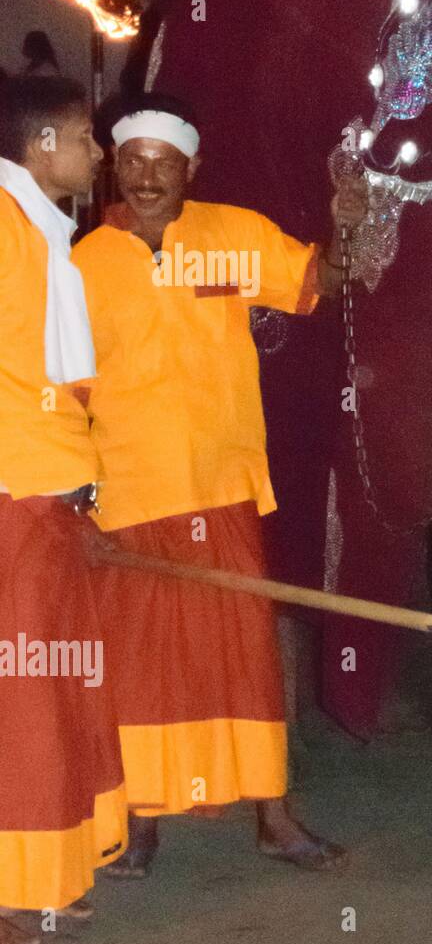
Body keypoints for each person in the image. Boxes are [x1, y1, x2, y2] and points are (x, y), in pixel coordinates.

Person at [72, 93, 365, 877]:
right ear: (113, 164)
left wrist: (352, 217)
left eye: (161, 164)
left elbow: (319, 283)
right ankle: (140, 824)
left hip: (222, 485)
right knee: (137, 666)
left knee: (244, 657)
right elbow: (68, 389)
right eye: (131, 161)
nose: (144, 176)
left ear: (190, 169)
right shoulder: (82, 264)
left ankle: (274, 816)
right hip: (127, 492)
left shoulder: (230, 237)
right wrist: (76, 496)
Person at [0, 77, 126, 944]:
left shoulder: (47, 234)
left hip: (53, 499)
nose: (99, 155)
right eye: (86, 137)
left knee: (54, 692)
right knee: (21, 698)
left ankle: (43, 875)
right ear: (44, 144)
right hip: (15, 501)